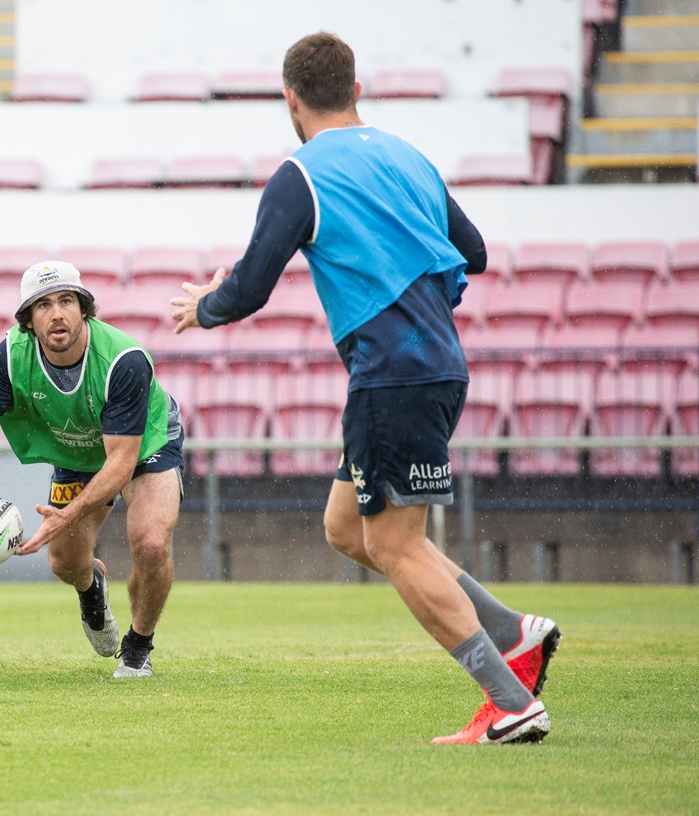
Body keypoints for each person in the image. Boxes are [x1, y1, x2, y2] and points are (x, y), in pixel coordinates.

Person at [170, 32, 559, 743]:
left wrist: (206, 307)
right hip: (438, 365)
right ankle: (513, 631)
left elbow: (253, 286)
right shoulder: (409, 157)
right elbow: (471, 251)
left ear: (291, 100)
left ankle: (510, 700)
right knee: (348, 529)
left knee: (398, 545)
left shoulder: (301, 173)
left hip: (392, 376)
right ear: (356, 88)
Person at [0, 261, 184, 678]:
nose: (57, 313)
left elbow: (121, 463)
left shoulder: (122, 360)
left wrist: (68, 513)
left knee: (149, 542)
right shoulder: (11, 356)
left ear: (84, 309)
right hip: (77, 452)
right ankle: (90, 588)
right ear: (28, 322)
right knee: (63, 563)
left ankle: (138, 646)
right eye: (43, 305)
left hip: (145, 445)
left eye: (66, 301)